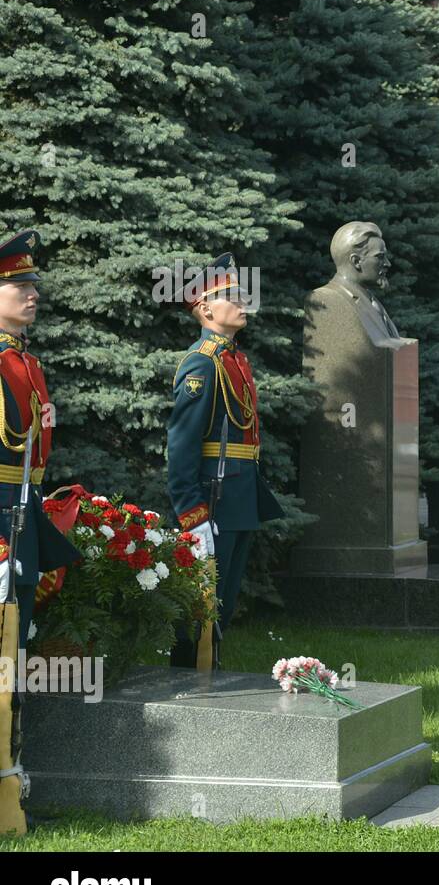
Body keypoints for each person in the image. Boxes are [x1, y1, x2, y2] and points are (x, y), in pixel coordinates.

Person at [0, 230, 83, 835]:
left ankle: (11, 789)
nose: (33, 294)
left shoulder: (25, 361)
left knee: (14, 653)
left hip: (21, 512)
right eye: (19, 285)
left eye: (32, 285)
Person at [167, 252, 284, 668]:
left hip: (238, 495)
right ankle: (187, 682)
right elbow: (182, 442)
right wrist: (190, 510)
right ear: (204, 308)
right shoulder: (203, 363)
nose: (242, 303)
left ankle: (209, 676)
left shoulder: (235, 359)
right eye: (231, 296)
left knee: (223, 601)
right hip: (212, 498)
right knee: (200, 606)